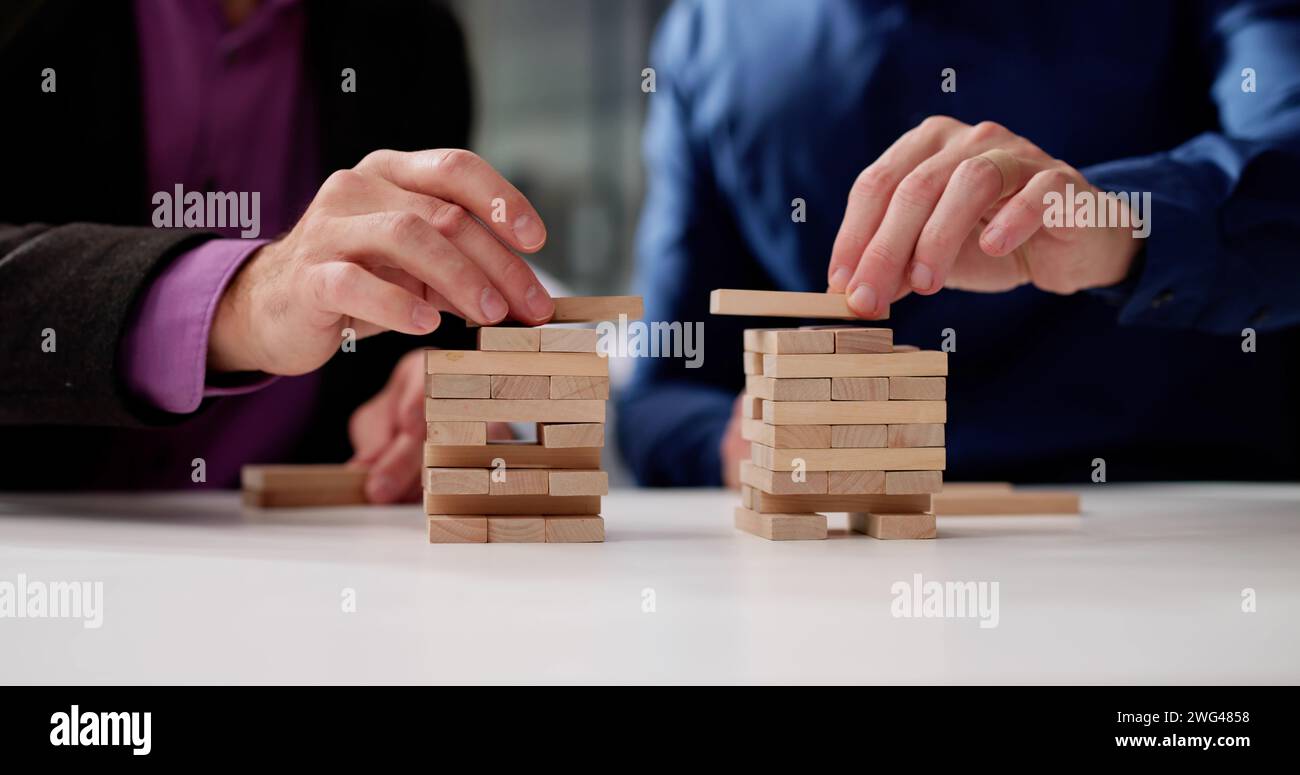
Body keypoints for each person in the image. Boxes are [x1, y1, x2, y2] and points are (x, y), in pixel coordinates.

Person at [617, 0, 1300, 487]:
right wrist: (735, 443)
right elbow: (664, 387)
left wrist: (1125, 223)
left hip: (1194, 513)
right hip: (845, 553)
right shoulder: (711, 29)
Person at [0, 0, 549, 502]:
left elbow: (420, 328)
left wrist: (427, 398)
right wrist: (240, 303)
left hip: (307, 558)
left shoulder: (411, 38)